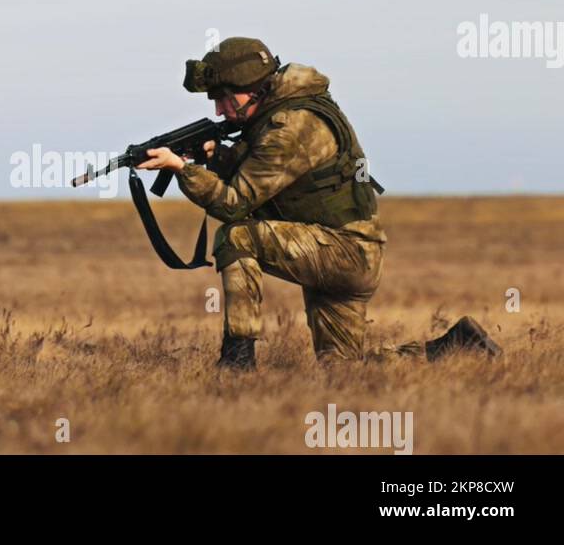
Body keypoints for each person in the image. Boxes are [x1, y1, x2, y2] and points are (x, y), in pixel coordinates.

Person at [136, 37, 501, 369]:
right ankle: (458, 346)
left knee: (236, 237)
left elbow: (234, 204)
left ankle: (236, 363)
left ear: (250, 90)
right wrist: (216, 157)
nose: (218, 111)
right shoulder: (283, 116)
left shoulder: (294, 124)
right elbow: (267, 177)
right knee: (344, 372)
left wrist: (181, 169)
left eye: (222, 99)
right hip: (340, 248)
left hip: (343, 252)